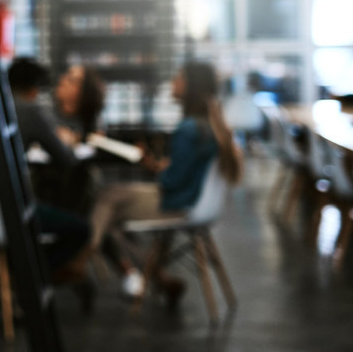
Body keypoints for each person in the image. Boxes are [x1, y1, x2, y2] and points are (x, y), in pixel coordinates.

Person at [86, 60, 243, 304]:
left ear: (190, 86)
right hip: (198, 203)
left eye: (178, 78)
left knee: (107, 199)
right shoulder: (209, 125)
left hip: (180, 203)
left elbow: (171, 181)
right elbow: (186, 170)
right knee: (112, 207)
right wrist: (158, 165)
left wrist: (156, 169)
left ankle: (84, 255)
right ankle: (157, 276)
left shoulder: (188, 129)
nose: (173, 83)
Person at [0, 57, 91, 283]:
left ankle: (17, 272)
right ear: (35, 89)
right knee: (81, 229)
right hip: (9, 218)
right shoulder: (29, 111)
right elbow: (66, 159)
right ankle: (27, 274)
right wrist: (70, 141)